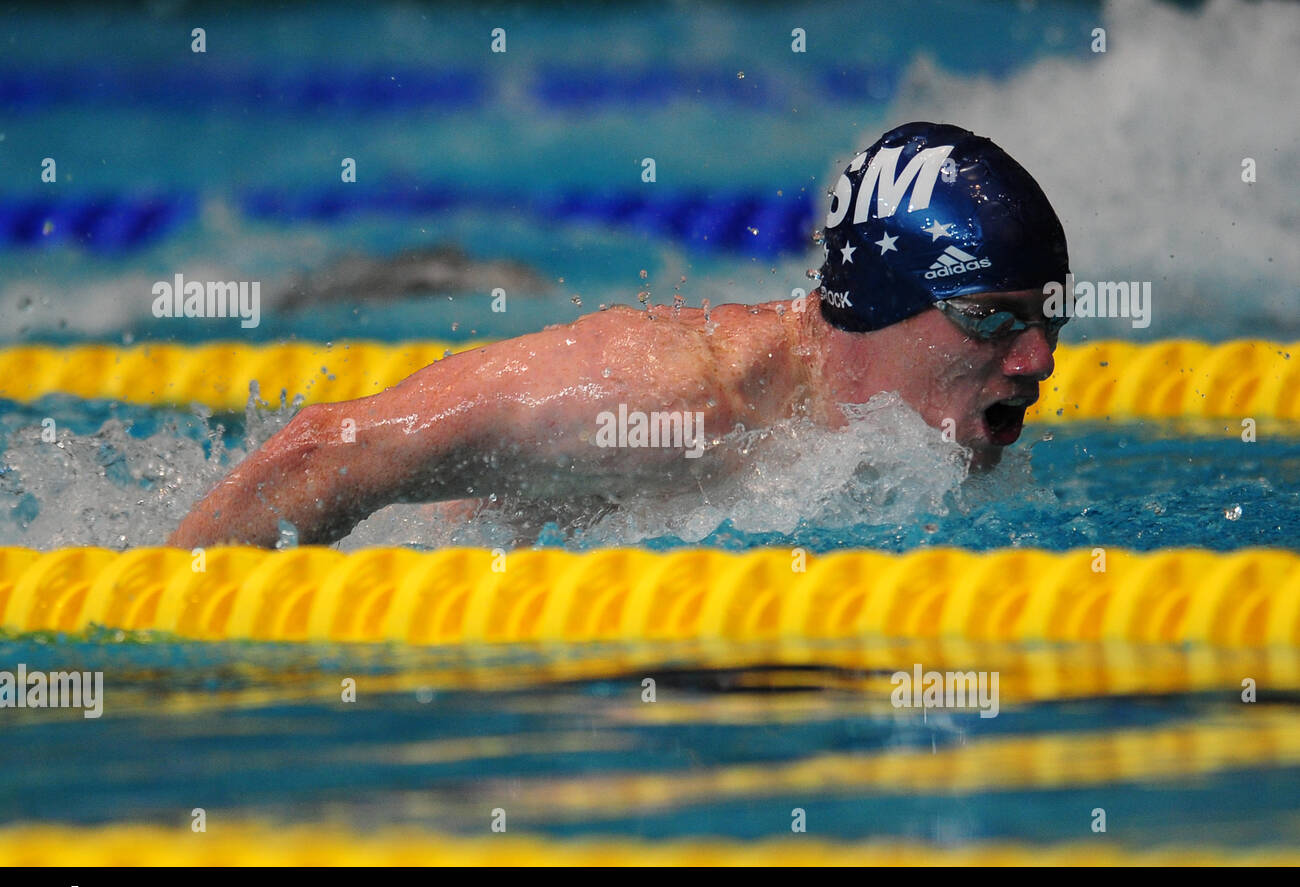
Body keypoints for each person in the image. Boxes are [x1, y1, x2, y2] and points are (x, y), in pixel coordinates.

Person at [169, 121, 1070, 549]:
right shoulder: (658, 397)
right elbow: (322, 451)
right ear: (876, 304)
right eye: (991, 317)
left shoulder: (889, 442)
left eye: (1046, 317)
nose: (1036, 362)